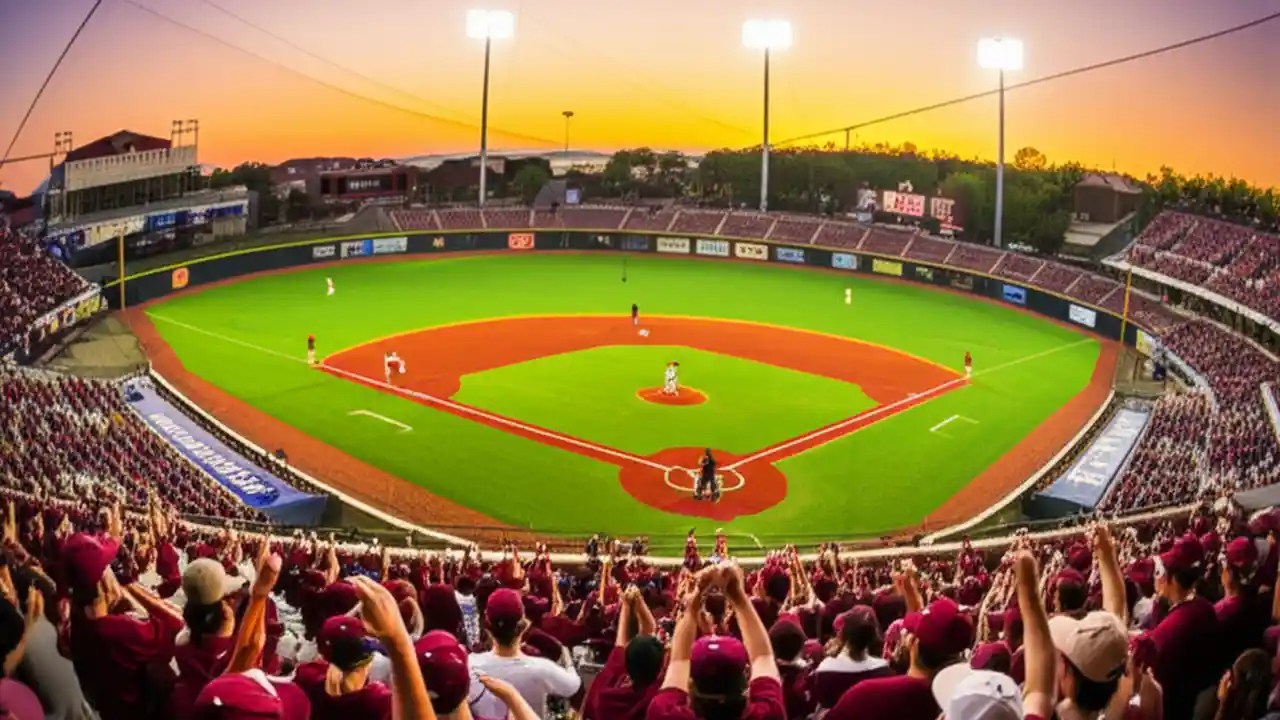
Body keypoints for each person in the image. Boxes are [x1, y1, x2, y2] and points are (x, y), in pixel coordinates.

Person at [647, 563, 785, 720]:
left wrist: (693, 603)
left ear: (690, 687)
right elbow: (763, 656)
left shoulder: (663, 714)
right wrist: (737, 595)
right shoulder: (768, 714)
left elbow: (678, 661)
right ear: (745, 683)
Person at [468, 588, 581, 718]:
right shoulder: (541, 668)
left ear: (487, 625)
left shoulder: (471, 665)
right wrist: (566, 655)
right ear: (522, 625)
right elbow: (573, 685)